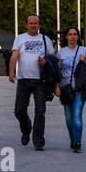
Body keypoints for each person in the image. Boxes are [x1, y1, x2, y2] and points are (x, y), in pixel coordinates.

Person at [9, 13, 56, 151]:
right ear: (26, 24)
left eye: (36, 23)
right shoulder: (20, 38)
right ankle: (26, 129)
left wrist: (45, 61)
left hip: (41, 80)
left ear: (39, 25)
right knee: (19, 110)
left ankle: (38, 141)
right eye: (31, 23)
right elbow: (14, 56)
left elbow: (52, 57)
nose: (33, 25)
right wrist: (11, 72)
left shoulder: (45, 39)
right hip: (23, 79)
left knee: (40, 111)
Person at [56, 26, 86, 153]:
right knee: (68, 118)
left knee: (77, 116)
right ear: (66, 37)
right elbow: (57, 72)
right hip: (65, 87)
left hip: (80, 87)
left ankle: (78, 143)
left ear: (78, 37)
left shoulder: (84, 50)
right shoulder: (61, 52)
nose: (72, 36)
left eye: (75, 34)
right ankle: (73, 139)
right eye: (70, 34)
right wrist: (56, 87)